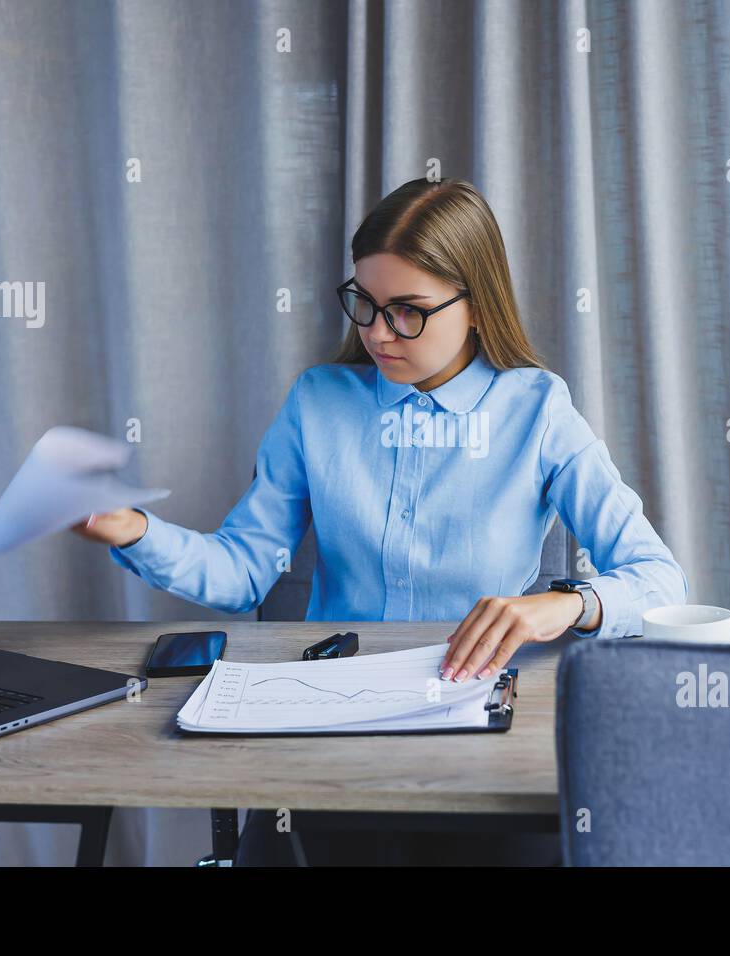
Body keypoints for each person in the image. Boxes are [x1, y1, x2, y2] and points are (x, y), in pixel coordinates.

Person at [73, 176, 688, 864]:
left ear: (477, 307)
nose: (374, 332)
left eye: (408, 311)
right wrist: (134, 531)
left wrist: (564, 603)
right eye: (364, 304)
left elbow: (662, 581)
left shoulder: (537, 409)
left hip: (480, 729)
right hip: (332, 726)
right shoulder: (317, 403)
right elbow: (242, 572)